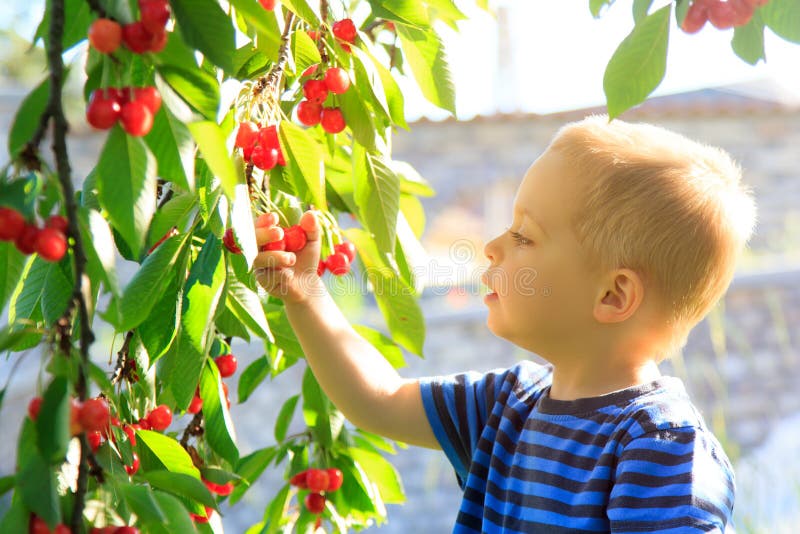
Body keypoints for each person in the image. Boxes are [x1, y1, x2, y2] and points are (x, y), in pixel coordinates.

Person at [252, 115, 756, 532]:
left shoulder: (659, 447)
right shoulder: (505, 404)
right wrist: (305, 294)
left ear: (612, 294)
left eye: (524, 235)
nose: (493, 245)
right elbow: (378, 400)